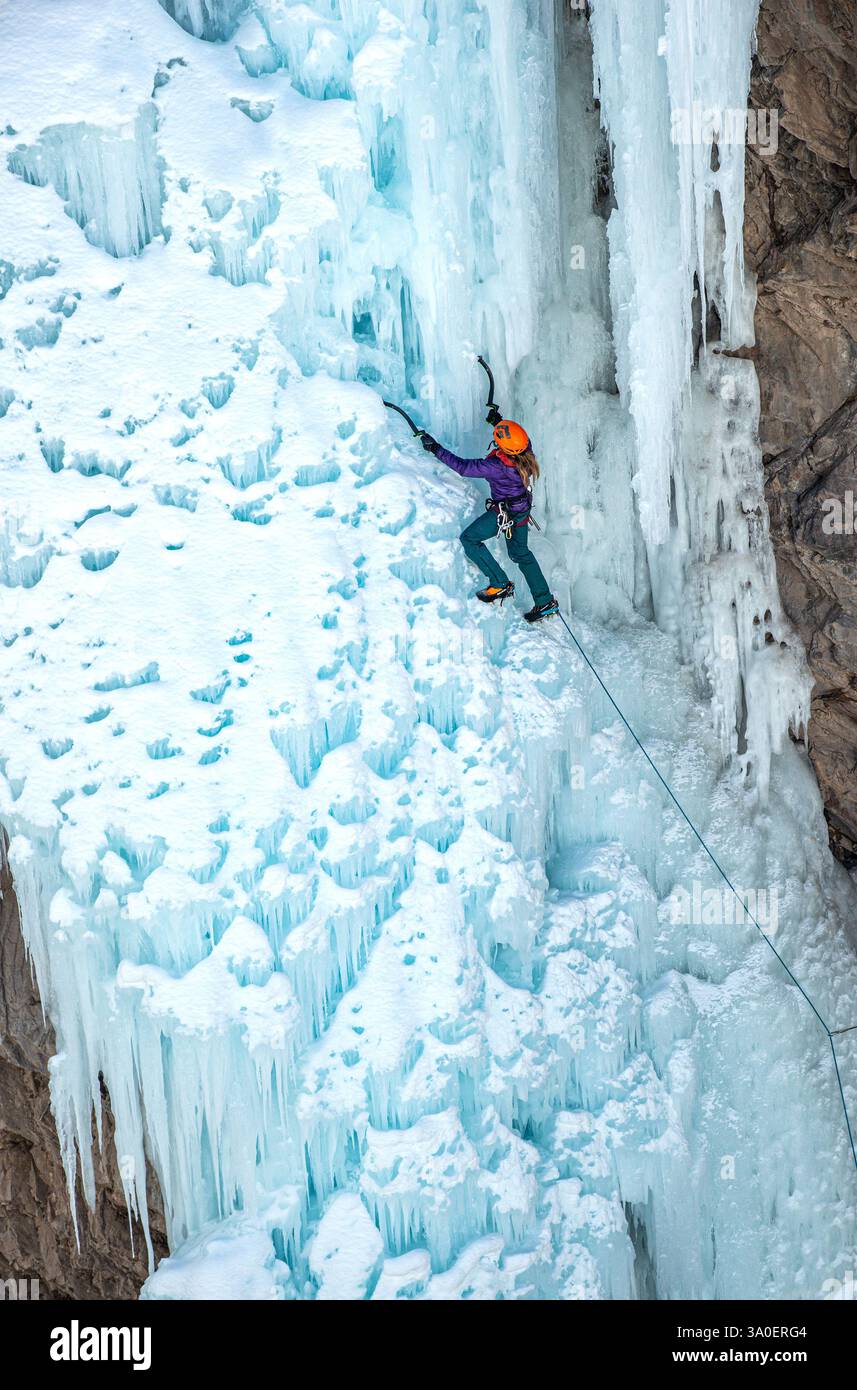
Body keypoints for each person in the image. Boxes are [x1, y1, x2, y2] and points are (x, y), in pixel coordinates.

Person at [420, 419, 558, 623]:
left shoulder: (497, 466)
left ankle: (499, 583)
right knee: (521, 553)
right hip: (521, 510)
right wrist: (498, 422)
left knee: (469, 539)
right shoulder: (526, 451)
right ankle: (545, 601)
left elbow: (463, 467)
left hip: (506, 512)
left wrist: (435, 448)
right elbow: (511, 439)